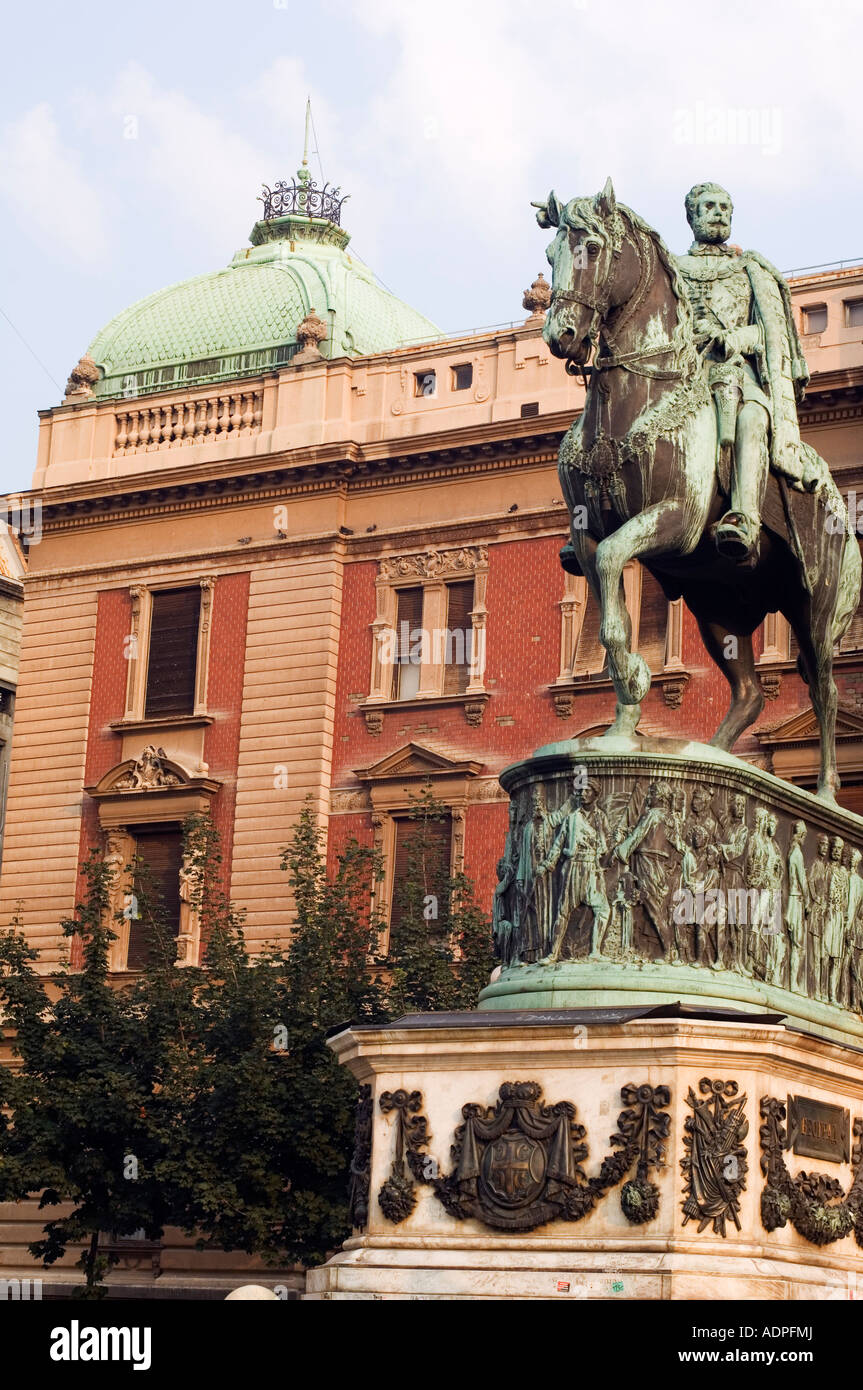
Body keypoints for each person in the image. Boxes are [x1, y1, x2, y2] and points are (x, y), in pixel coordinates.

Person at [676, 183, 821, 566]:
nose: (719, 213)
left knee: (754, 418)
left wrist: (733, 336)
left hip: (738, 374)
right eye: (709, 206)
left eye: (725, 207)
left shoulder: (750, 269)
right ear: (691, 215)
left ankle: (743, 516)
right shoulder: (672, 269)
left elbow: (771, 332)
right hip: (682, 375)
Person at [785, 821, 810, 995]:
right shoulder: (797, 854)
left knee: (796, 944)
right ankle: (793, 983)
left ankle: (794, 982)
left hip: (793, 899)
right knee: (798, 945)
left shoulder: (791, 852)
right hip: (796, 900)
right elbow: (801, 879)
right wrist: (808, 899)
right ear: (801, 835)